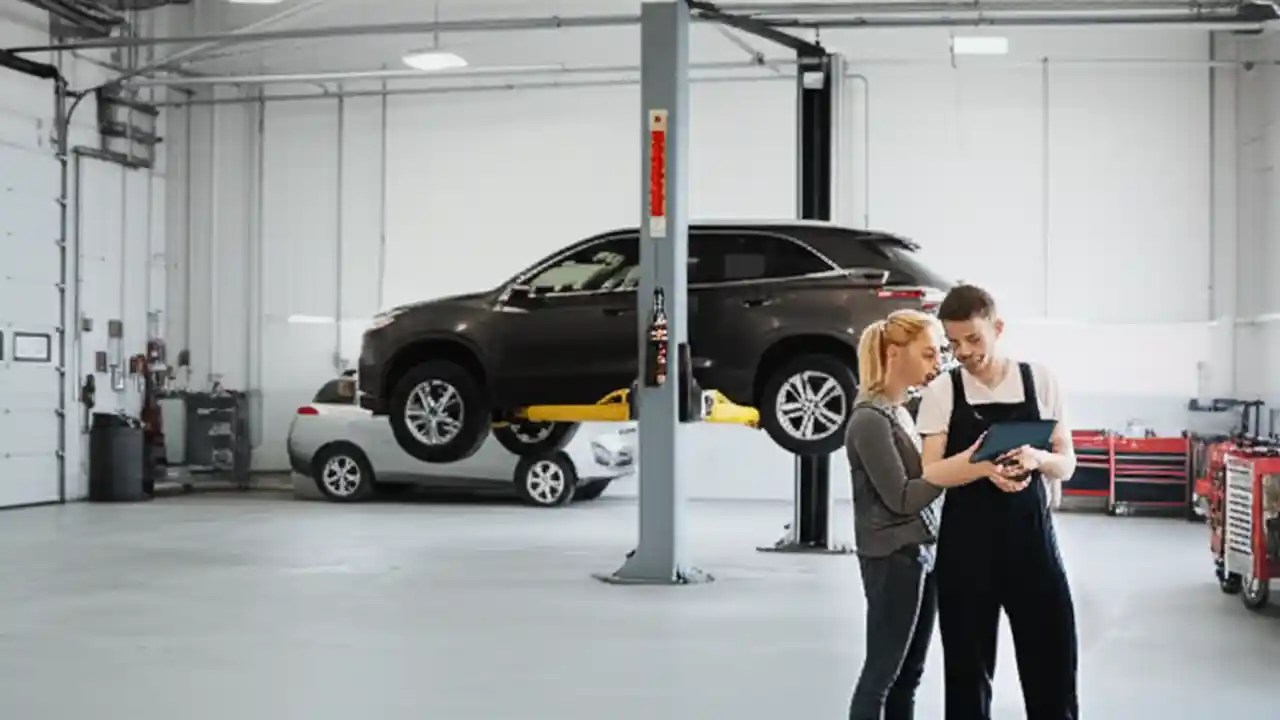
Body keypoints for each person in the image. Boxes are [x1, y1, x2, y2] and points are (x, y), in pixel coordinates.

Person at [915, 284, 1080, 720]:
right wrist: (982, 466)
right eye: (954, 343)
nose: (965, 352)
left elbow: (1066, 462)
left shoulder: (1040, 380)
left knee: (1053, 671)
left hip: (1032, 548)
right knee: (967, 680)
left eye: (973, 339)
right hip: (966, 551)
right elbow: (931, 471)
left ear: (997, 327)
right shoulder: (943, 392)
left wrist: (1036, 458)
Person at [845, 309, 1017, 720]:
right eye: (927, 354)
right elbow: (902, 498)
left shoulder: (903, 411)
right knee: (881, 675)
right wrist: (967, 467)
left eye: (939, 352)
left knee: (909, 675)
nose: (937, 363)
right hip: (892, 558)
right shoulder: (870, 419)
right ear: (892, 354)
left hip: (919, 555)